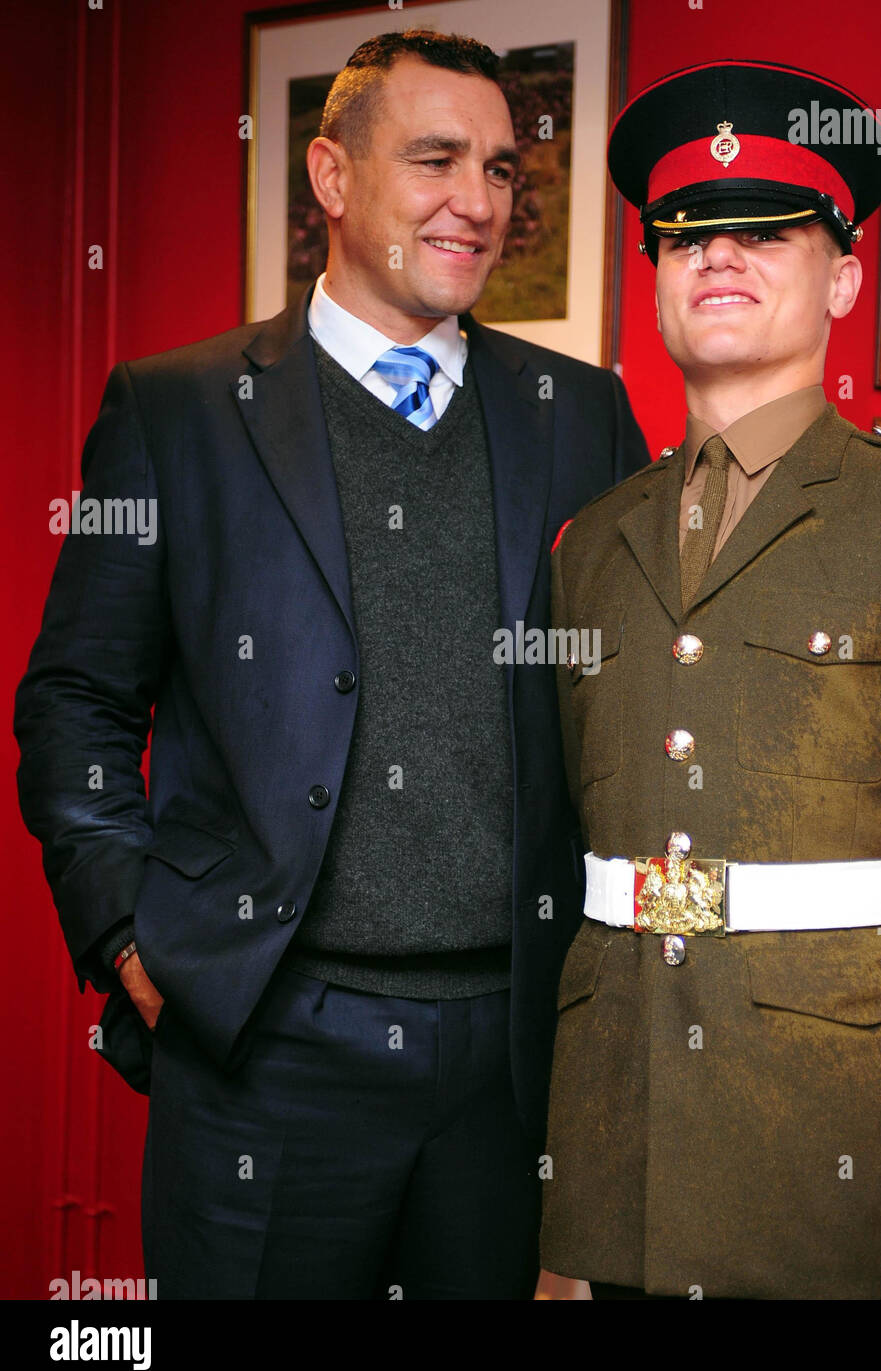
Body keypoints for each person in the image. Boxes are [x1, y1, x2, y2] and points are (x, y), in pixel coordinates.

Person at [13, 29, 650, 1300]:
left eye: (500, 168)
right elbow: (74, 698)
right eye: (434, 159)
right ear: (331, 174)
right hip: (266, 1047)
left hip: (505, 1061)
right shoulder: (175, 409)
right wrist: (135, 944)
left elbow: (642, 684)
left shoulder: (581, 415)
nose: (477, 199)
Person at [539, 59, 881, 1300]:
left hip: (847, 1161)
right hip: (623, 1157)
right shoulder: (589, 546)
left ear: (841, 276)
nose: (716, 259)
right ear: (657, 281)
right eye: (685, 238)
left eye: (765, 235)